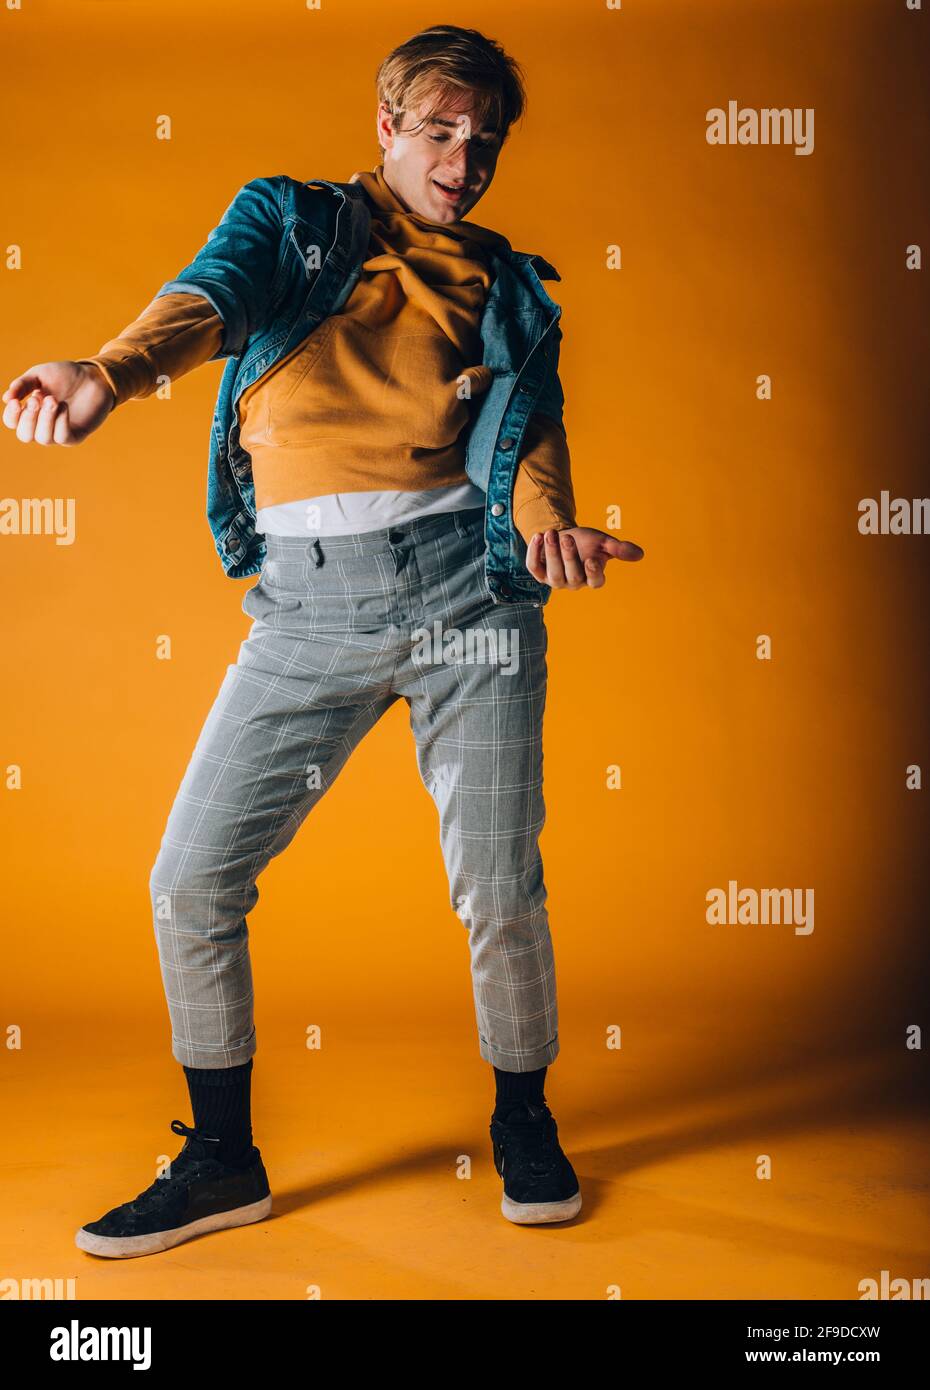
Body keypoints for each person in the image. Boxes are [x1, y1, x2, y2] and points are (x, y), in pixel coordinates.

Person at [3, 23, 643, 1259]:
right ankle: (224, 1159)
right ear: (390, 128)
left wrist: (550, 530)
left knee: (500, 884)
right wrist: (106, 372)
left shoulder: (504, 283)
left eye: (488, 139)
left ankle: (523, 1115)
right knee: (191, 877)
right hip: (307, 605)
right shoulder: (298, 221)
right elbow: (210, 297)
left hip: (473, 600)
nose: (467, 159)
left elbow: (530, 432)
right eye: (444, 130)